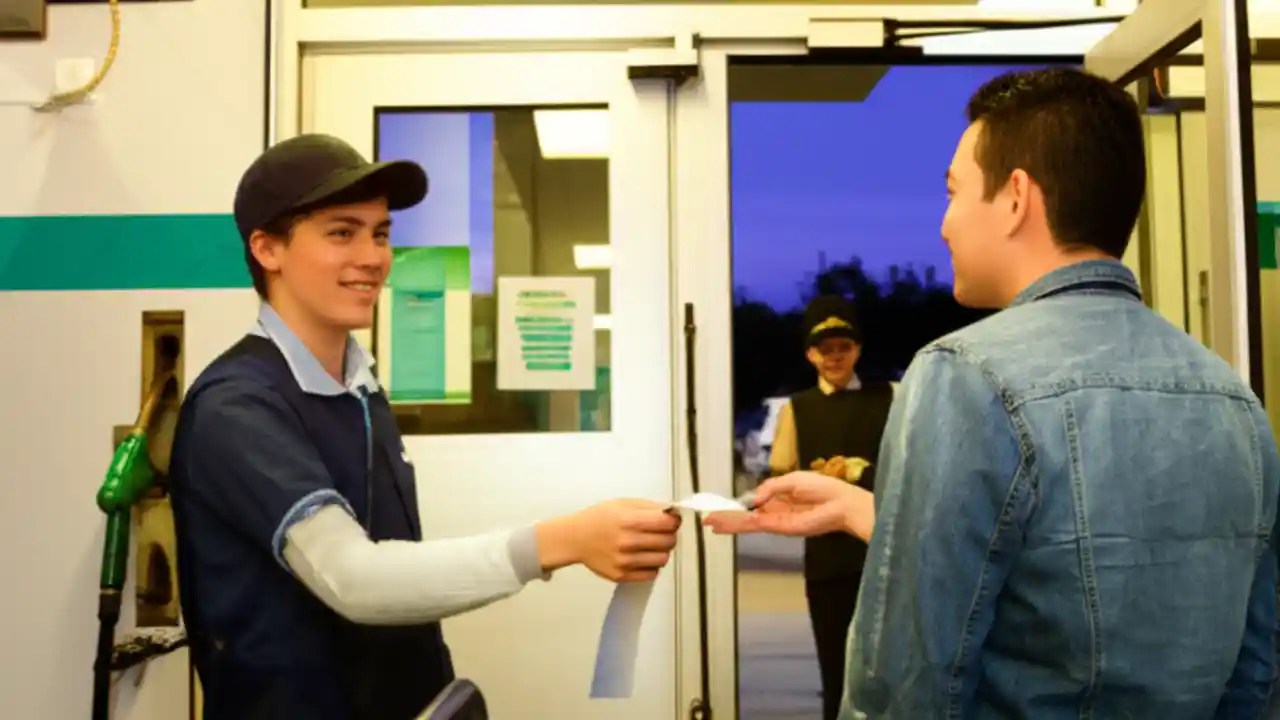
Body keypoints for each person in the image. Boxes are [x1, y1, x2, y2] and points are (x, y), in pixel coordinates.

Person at [709, 67, 1280, 719]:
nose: (945, 223)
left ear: (1015, 198)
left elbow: (908, 674)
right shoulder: (1229, 396)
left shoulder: (965, 373)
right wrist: (861, 510)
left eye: (954, 192)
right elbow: (1258, 667)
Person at [168, 134, 682, 720]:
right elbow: (353, 578)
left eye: (381, 233)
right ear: (268, 249)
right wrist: (561, 541)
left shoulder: (358, 386)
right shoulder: (237, 406)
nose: (373, 256)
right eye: (342, 232)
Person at [766, 295, 893, 720]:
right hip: (826, 555)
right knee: (835, 663)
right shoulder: (796, 409)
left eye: (843, 347)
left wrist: (862, 473)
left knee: (887, 663)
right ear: (809, 354)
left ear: (857, 350)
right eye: (826, 349)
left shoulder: (888, 397)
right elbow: (780, 477)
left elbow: (908, 466)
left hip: (884, 549)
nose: (835, 357)